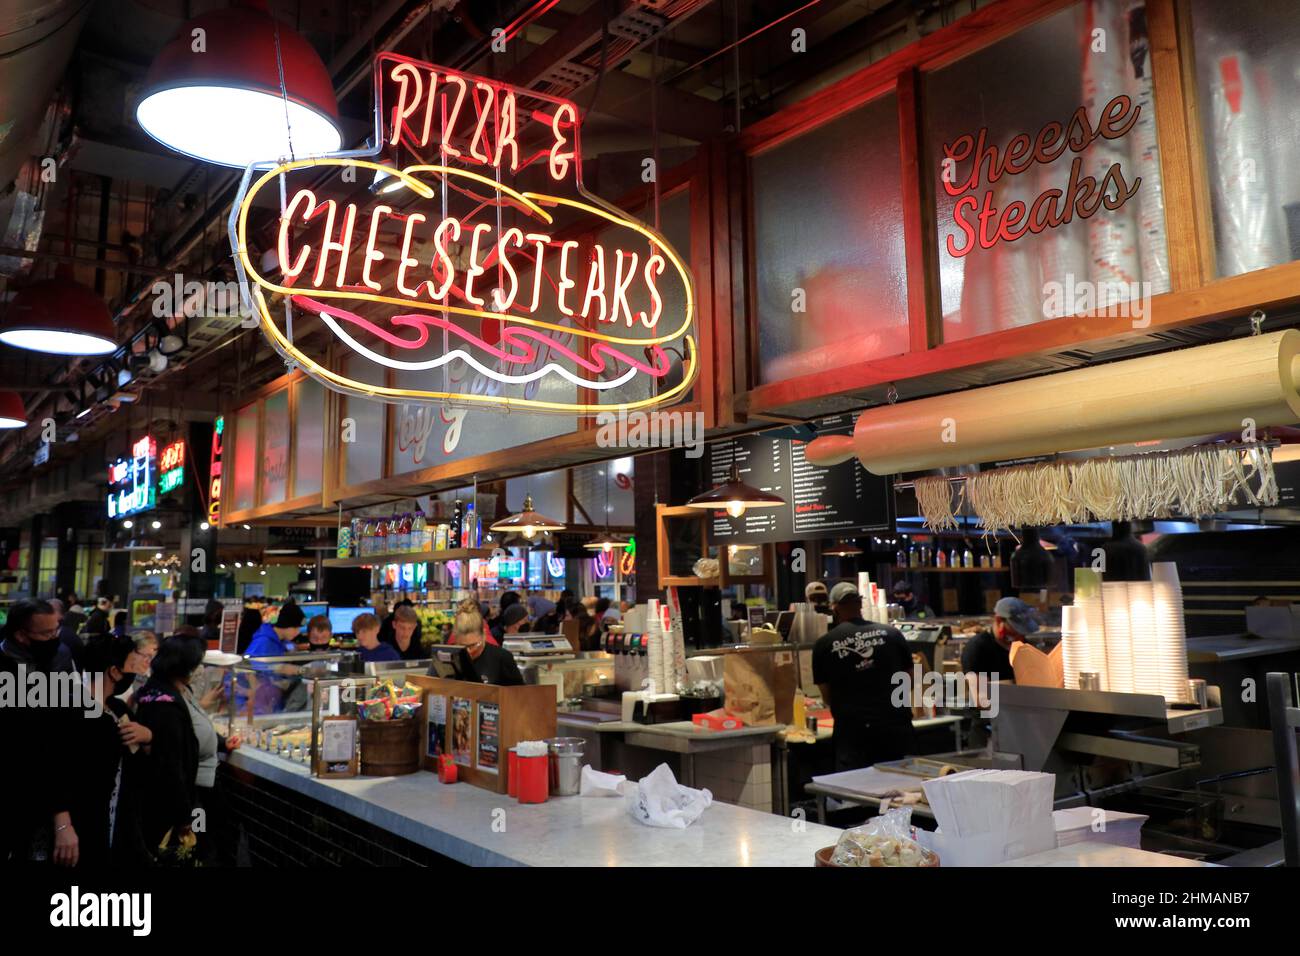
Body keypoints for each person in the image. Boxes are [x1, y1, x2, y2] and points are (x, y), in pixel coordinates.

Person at [0, 600, 78, 864]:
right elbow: (39, 748)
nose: (54, 639)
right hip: (20, 802)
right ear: (21, 635)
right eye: (45, 634)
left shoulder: (59, 658)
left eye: (56, 630)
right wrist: (61, 818)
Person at [812, 582, 915, 772]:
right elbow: (908, 680)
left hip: (854, 734)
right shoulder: (892, 634)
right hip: (894, 728)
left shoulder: (824, 645)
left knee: (857, 795)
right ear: (860, 604)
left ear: (834, 607)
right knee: (899, 789)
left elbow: (827, 697)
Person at [66, 633, 141, 867]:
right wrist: (63, 825)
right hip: (82, 823)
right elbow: (60, 773)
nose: (135, 670)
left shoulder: (116, 707)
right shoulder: (76, 713)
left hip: (113, 818)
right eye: (131, 664)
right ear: (114, 671)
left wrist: (147, 736)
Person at [132, 634, 202, 864]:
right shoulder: (165, 705)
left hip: (158, 802)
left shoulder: (154, 692)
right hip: (164, 807)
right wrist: (184, 815)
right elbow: (171, 764)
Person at [961, 596, 1038, 691]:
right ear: (999, 621)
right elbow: (979, 694)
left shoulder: (1025, 647)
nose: (1018, 636)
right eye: (1015, 630)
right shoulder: (977, 648)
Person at [451, 608, 523, 685]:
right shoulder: (454, 659)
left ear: (484, 636)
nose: (469, 651)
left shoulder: (502, 658)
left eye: (473, 645)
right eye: (463, 647)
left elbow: (519, 692)